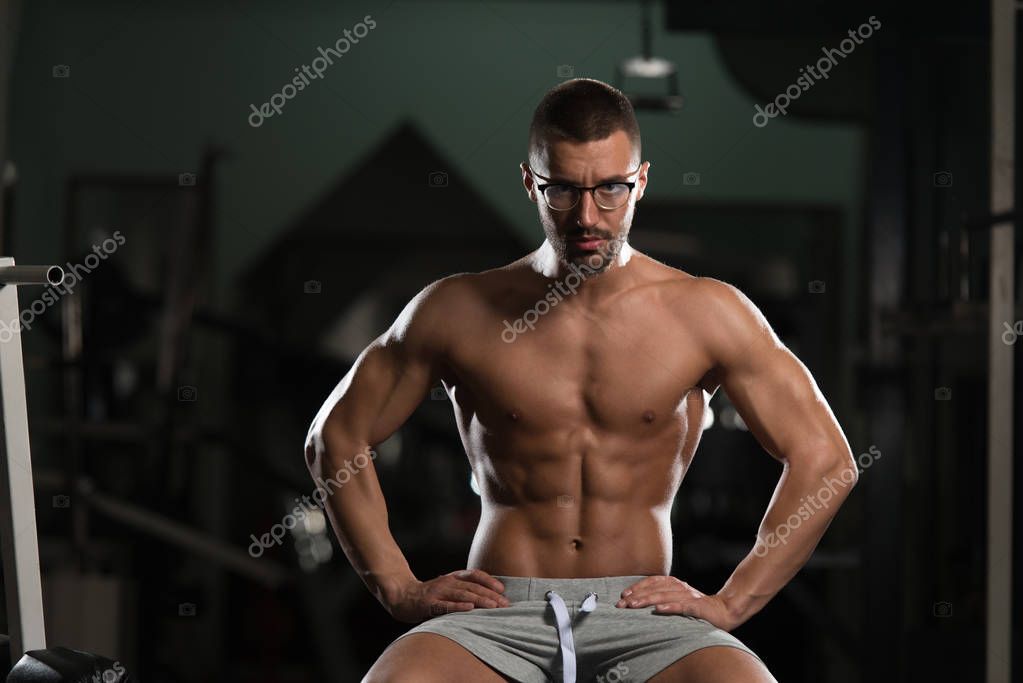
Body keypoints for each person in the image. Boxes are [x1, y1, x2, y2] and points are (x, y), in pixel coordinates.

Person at [305, 77, 857, 683]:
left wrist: (731, 602)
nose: (587, 216)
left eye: (610, 189)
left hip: (644, 613)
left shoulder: (707, 312)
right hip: (497, 613)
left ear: (640, 181)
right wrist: (398, 588)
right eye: (563, 189)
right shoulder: (456, 308)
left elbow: (825, 460)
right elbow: (335, 438)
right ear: (530, 182)